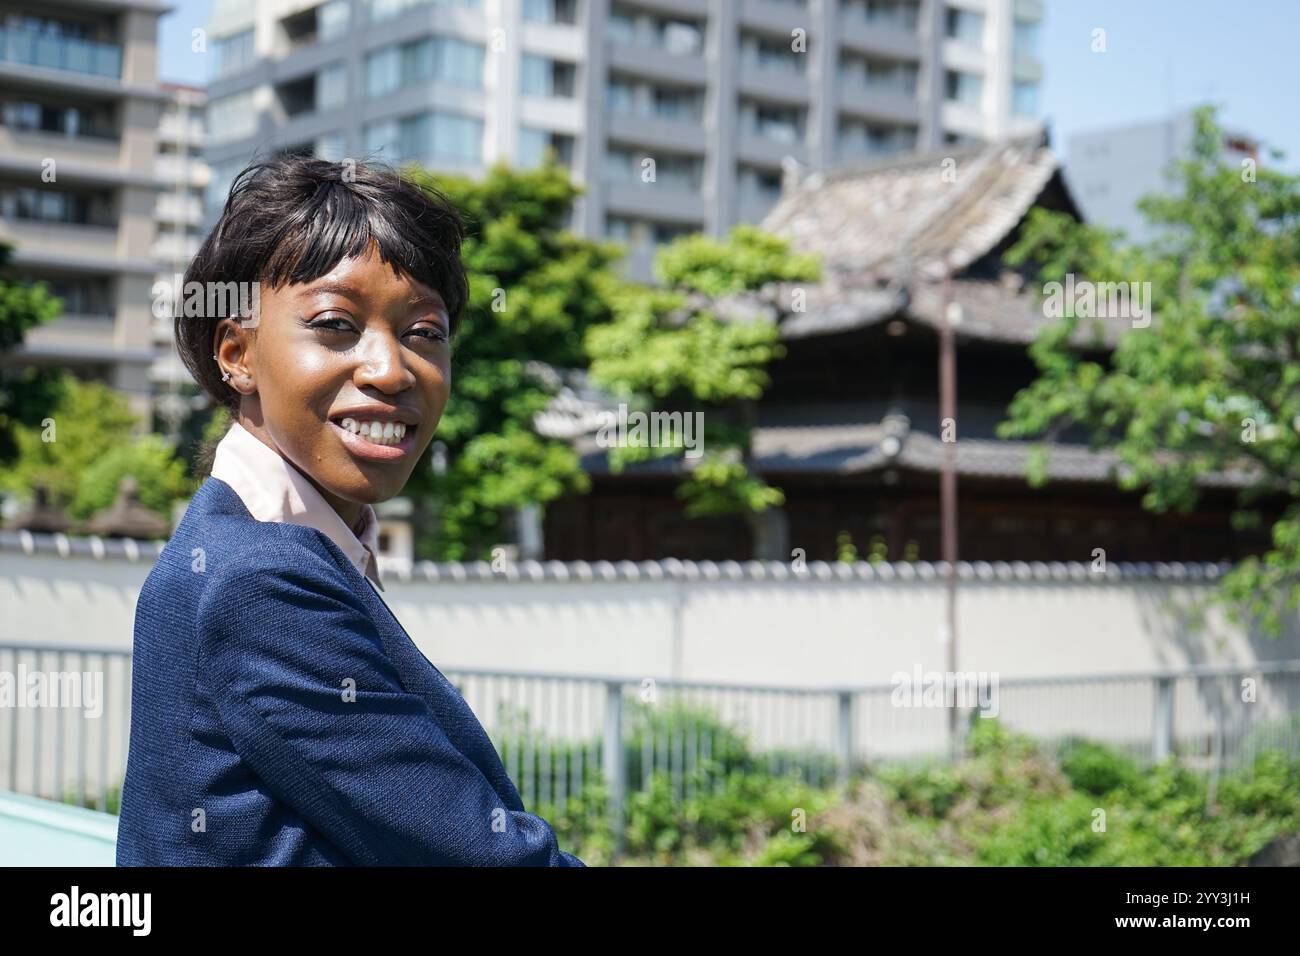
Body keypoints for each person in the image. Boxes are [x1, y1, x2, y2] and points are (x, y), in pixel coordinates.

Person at [116, 154, 585, 866]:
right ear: (236, 353)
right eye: (336, 323)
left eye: (424, 332)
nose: (392, 369)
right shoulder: (260, 580)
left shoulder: (246, 545)